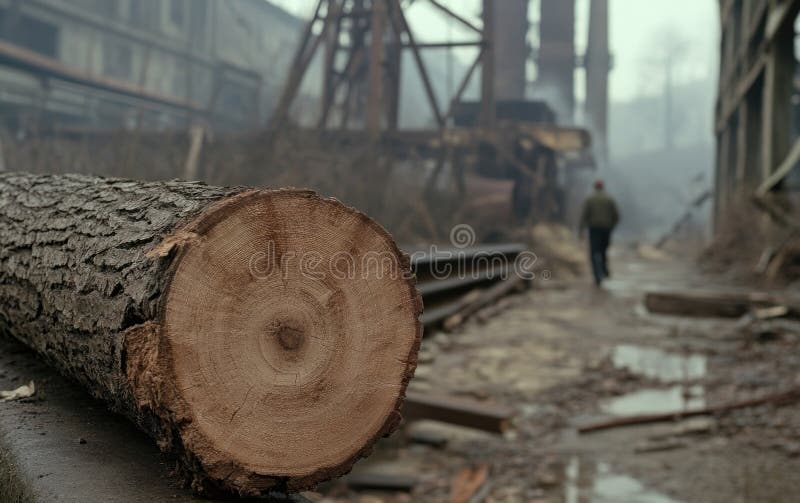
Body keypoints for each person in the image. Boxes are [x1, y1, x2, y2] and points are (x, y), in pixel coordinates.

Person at [579, 180, 620, 285]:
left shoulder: (590, 200)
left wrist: (581, 230)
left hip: (594, 229)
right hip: (606, 229)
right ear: (603, 187)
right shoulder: (609, 199)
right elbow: (616, 216)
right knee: (603, 250)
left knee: (594, 252)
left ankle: (597, 275)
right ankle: (604, 270)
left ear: (595, 187)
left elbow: (584, 216)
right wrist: (611, 226)